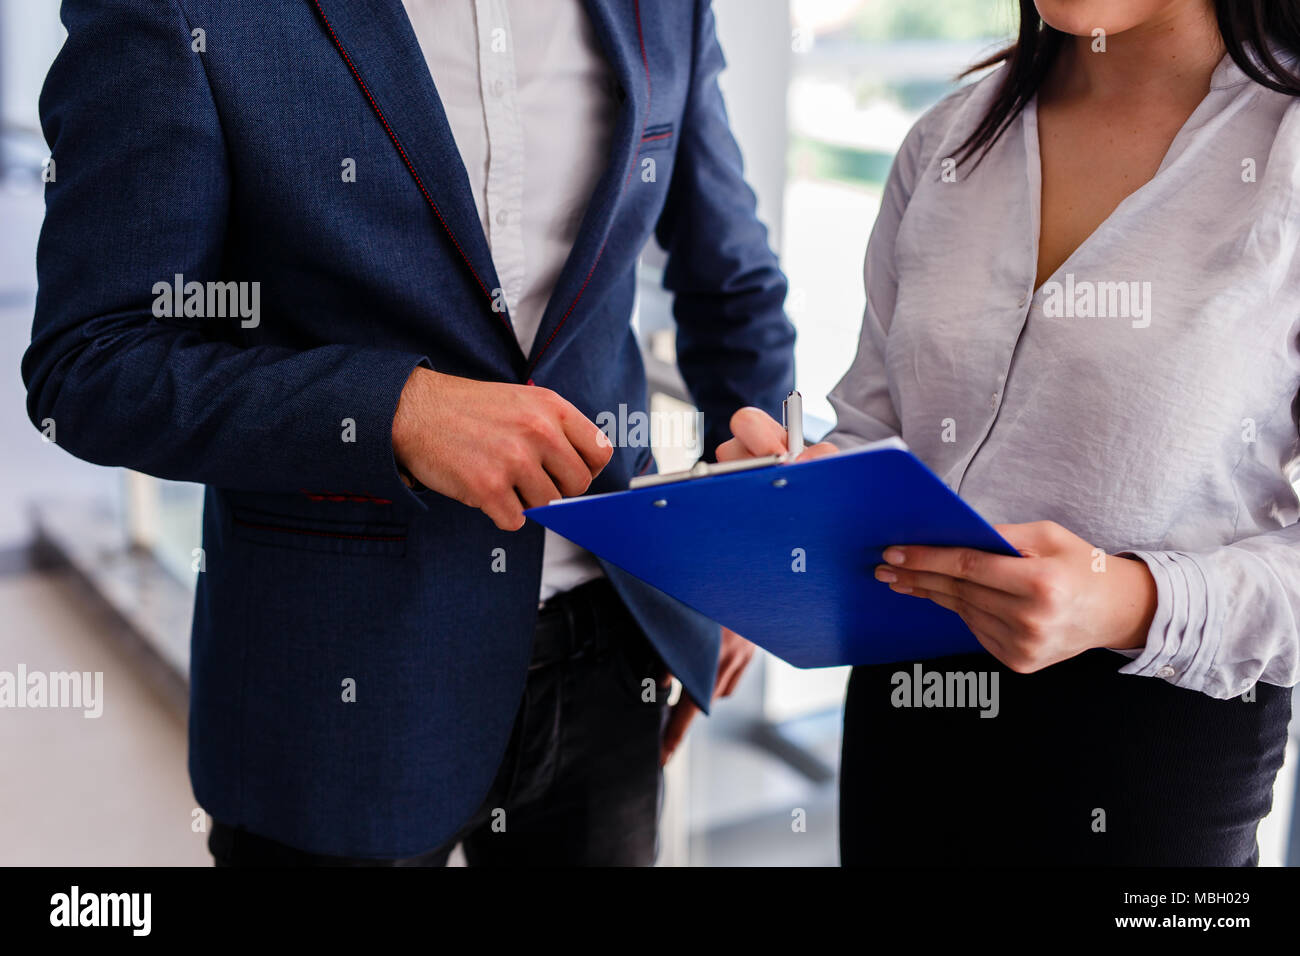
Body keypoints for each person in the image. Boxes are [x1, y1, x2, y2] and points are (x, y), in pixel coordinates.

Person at [24, 0, 791, 865]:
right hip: (333, 688)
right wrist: (392, 411)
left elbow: (734, 291)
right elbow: (91, 363)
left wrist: (752, 553)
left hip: (614, 648)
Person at [720, 0, 1300, 865]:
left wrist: (1129, 601)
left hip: (1147, 762)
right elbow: (883, 431)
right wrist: (801, 489)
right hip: (905, 717)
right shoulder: (948, 141)